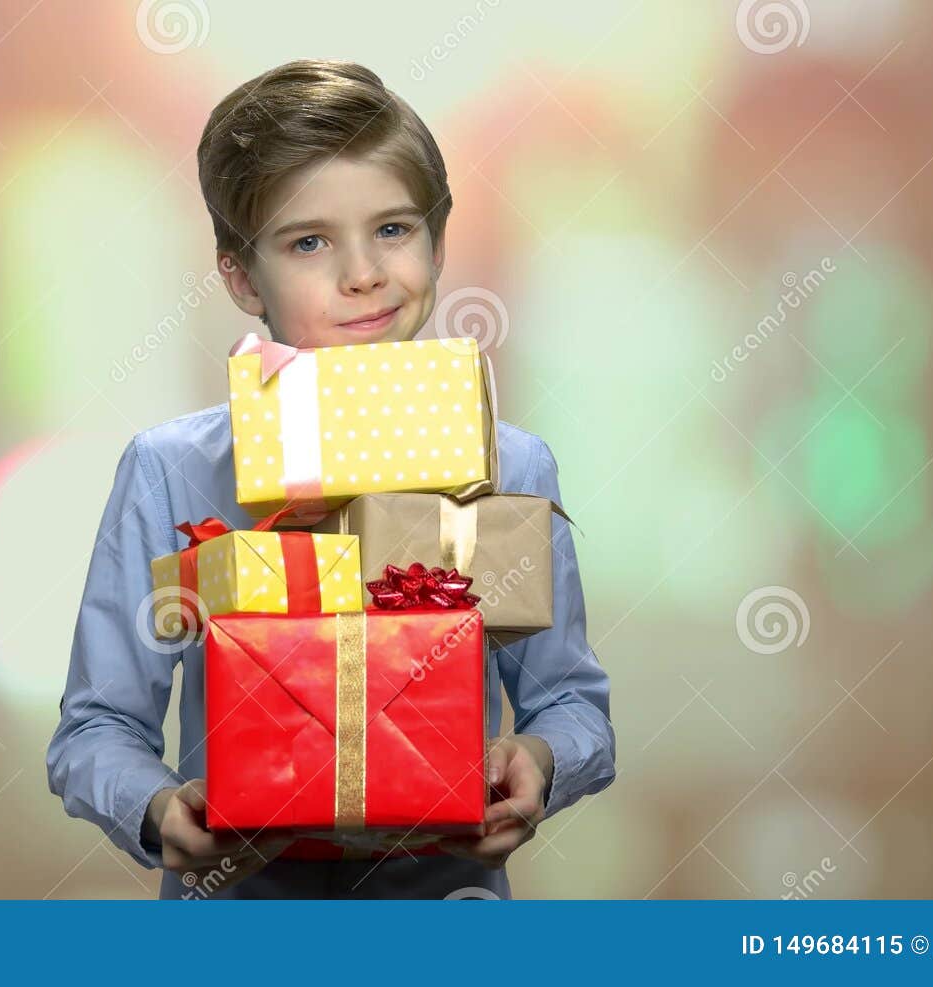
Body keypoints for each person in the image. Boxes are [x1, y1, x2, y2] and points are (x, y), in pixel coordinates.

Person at [47, 59, 615, 899]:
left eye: (393, 229)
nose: (363, 274)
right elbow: (96, 727)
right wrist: (158, 807)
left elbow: (570, 702)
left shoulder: (513, 465)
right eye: (308, 242)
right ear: (242, 277)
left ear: (439, 241)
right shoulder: (172, 471)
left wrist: (539, 758)